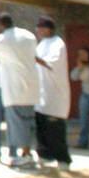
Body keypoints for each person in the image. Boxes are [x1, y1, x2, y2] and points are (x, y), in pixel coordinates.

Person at [0, 13, 41, 169]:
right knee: (28, 122)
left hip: (14, 90)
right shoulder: (29, 36)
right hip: (32, 87)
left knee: (17, 124)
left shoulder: (0, 41)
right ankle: (26, 152)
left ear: (0, 25)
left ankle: (24, 155)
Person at [33, 16, 71, 168]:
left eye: (40, 28)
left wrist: (33, 57)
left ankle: (63, 159)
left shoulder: (58, 44)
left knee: (55, 131)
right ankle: (45, 156)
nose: (38, 31)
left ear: (48, 29)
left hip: (55, 95)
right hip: (41, 94)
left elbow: (51, 63)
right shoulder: (41, 44)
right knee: (41, 129)